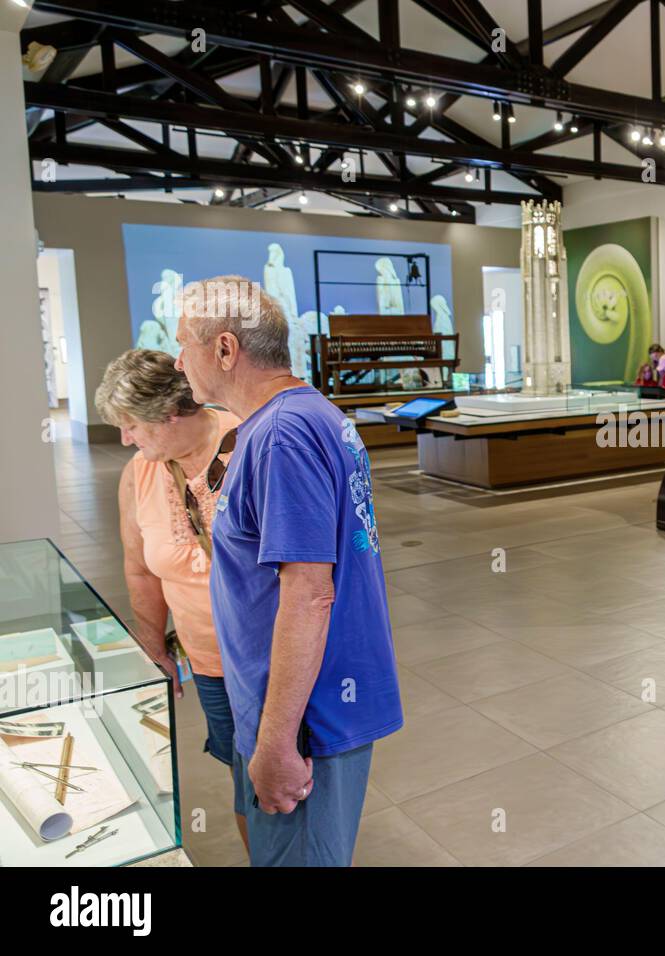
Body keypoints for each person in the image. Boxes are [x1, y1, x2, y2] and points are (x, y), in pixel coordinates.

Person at [174, 275, 403, 867]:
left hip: (306, 719)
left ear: (225, 349)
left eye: (183, 345)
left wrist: (277, 740)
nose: (178, 362)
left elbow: (309, 594)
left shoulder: (281, 435)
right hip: (301, 706)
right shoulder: (303, 415)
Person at [93, 349, 247, 850]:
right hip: (208, 660)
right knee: (244, 778)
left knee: (290, 777)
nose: (126, 439)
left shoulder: (252, 444)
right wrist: (154, 646)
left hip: (274, 659)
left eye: (131, 425)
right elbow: (140, 568)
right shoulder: (141, 472)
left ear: (169, 414)